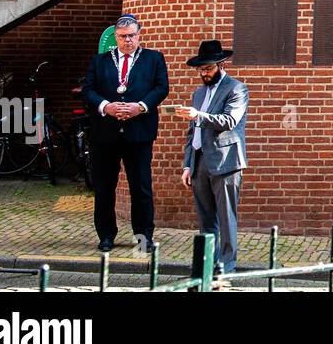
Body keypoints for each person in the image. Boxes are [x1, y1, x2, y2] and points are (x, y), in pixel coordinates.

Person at [81, 14, 169, 252]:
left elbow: (162, 88)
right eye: (122, 37)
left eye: (131, 35)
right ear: (115, 37)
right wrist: (105, 106)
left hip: (138, 133)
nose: (127, 40)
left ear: (139, 35)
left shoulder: (153, 59)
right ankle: (106, 235)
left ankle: (143, 236)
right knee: (104, 186)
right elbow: (87, 90)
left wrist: (139, 107)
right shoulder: (100, 61)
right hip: (105, 134)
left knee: (140, 186)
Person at [177, 40, 248, 275]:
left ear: (221, 64)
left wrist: (199, 115)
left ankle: (227, 267)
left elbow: (229, 121)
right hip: (199, 162)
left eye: (208, 68)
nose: (204, 73)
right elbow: (192, 132)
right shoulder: (198, 93)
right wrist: (188, 164)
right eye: (201, 69)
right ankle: (209, 263)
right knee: (205, 219)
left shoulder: (237, 89)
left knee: (226, 217)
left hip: (226, 161)